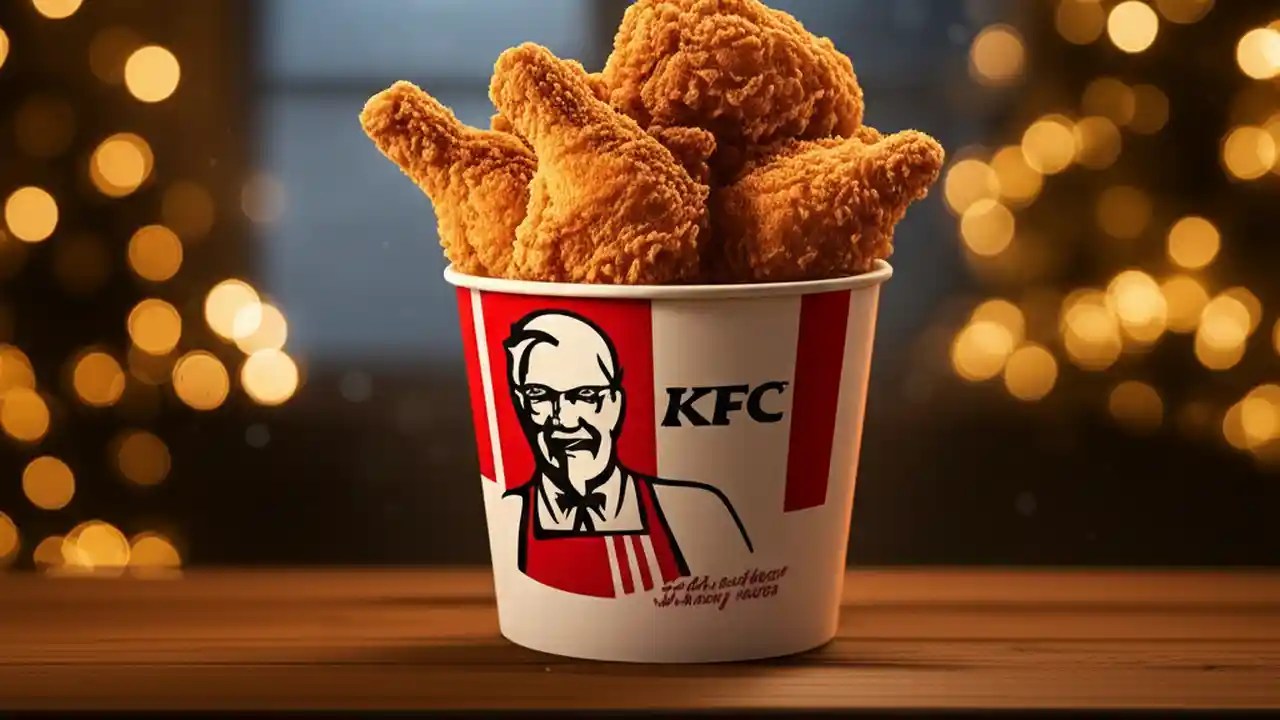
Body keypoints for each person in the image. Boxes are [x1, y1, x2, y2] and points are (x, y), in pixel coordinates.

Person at [502, 310, 752, 598]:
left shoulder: (696, 509)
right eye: (540, 396)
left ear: (614, 404)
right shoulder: (510, 515)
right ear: (521, 404)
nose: (565, 419)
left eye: (585, 395)